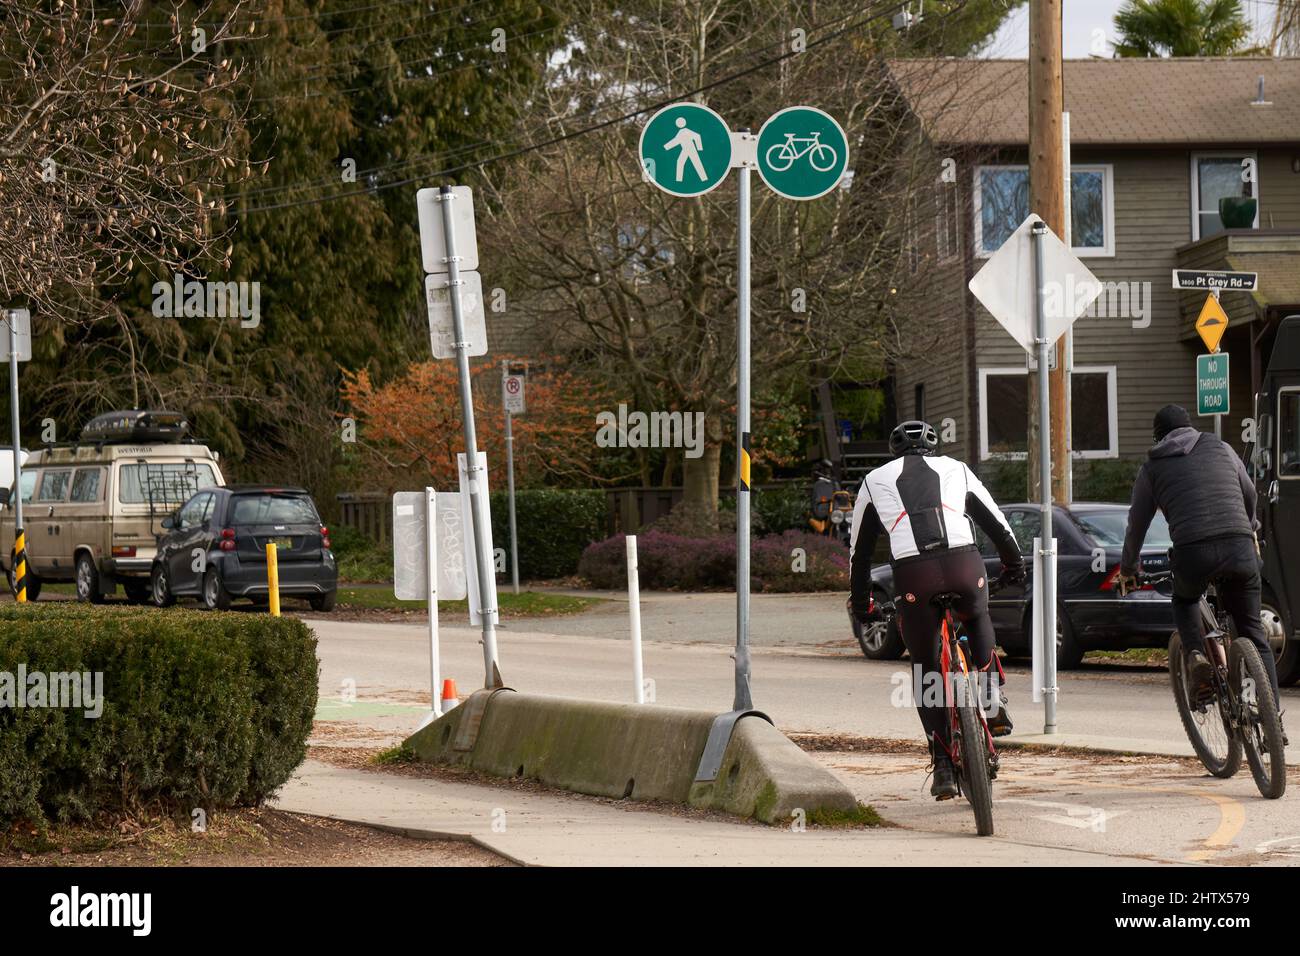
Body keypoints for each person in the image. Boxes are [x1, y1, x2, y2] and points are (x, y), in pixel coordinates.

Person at [849, 420, 1026, 799]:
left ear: (894, 451)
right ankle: (990, 697)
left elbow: (859, 555)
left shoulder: (872, 481)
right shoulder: (957, 468)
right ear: (933, 447)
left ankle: (944, 766)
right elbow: (997, 523)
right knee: (976, 617)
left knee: (925, 664)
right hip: (965, 566)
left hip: (915, 576)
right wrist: (1015, 566)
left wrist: (862, 603)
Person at [1118, 405, 1283, 733]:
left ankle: (1195, 655)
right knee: (1252, 630)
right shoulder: (1221, 447)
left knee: (1185, 600)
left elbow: (1136, 524)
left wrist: (1128, 568)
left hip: (1193, 552)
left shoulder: (1152, 467)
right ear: (1189, 427)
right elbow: (1250, 491)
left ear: (1158, 437)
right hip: (1240, 545)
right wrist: (1249, 525)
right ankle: (1272, 716)